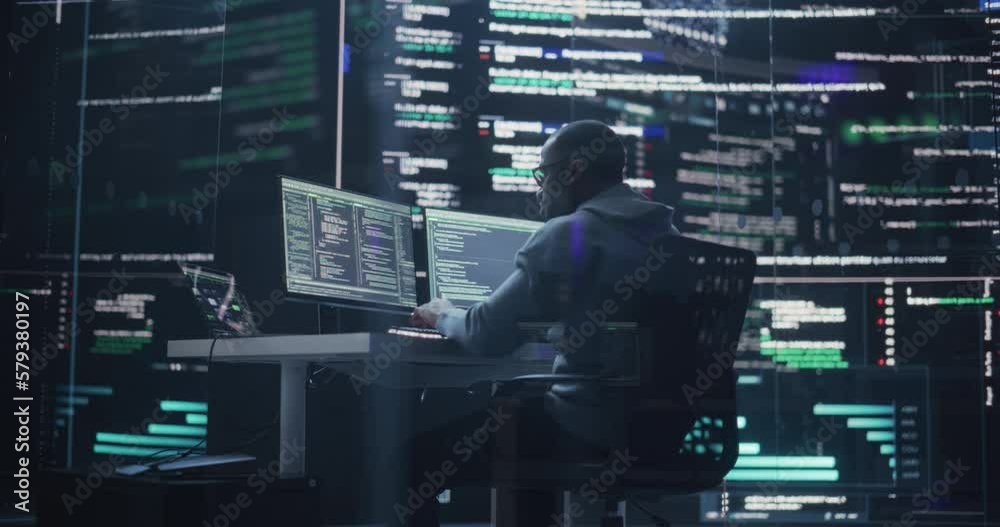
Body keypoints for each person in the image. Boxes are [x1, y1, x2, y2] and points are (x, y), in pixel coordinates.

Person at [386, 120, 683, 525]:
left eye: (543, 174)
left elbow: (485, 336)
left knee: (407, 461)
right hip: (665, 434)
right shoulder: (668, 237)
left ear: (574, 170)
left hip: (588, 431)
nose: (539, 188)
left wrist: (442, 314)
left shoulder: (569, 233)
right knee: (523, 415)